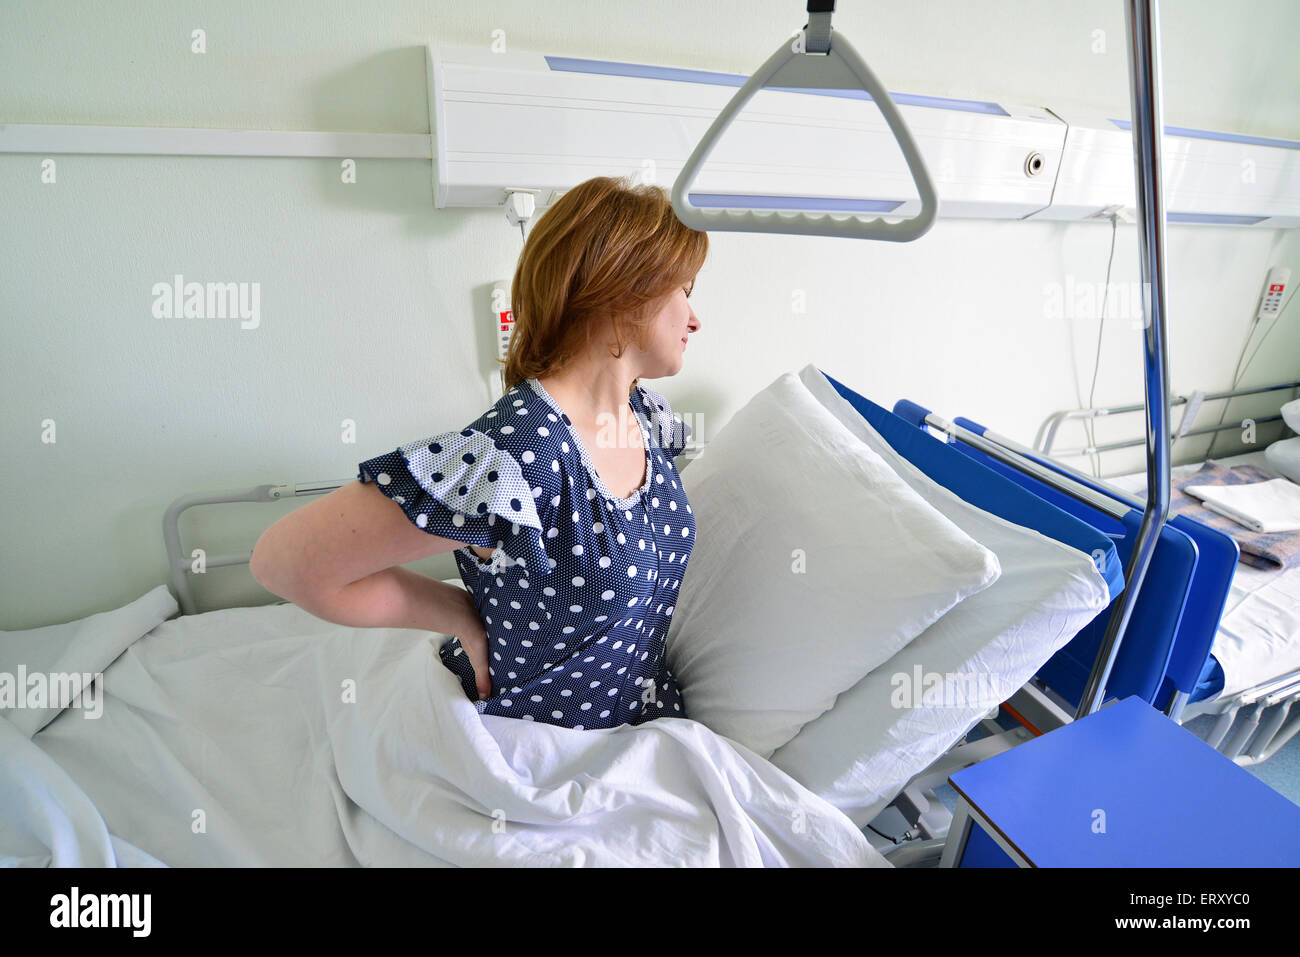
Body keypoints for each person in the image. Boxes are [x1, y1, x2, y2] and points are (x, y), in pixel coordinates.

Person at [250, 175, 706, 730]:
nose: (694, 317)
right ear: (620, 292)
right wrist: (460, 614)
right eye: (682, 289)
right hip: (535, 747)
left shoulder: (648, 420)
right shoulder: (514, 458)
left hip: (641, 723)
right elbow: (283, 563)